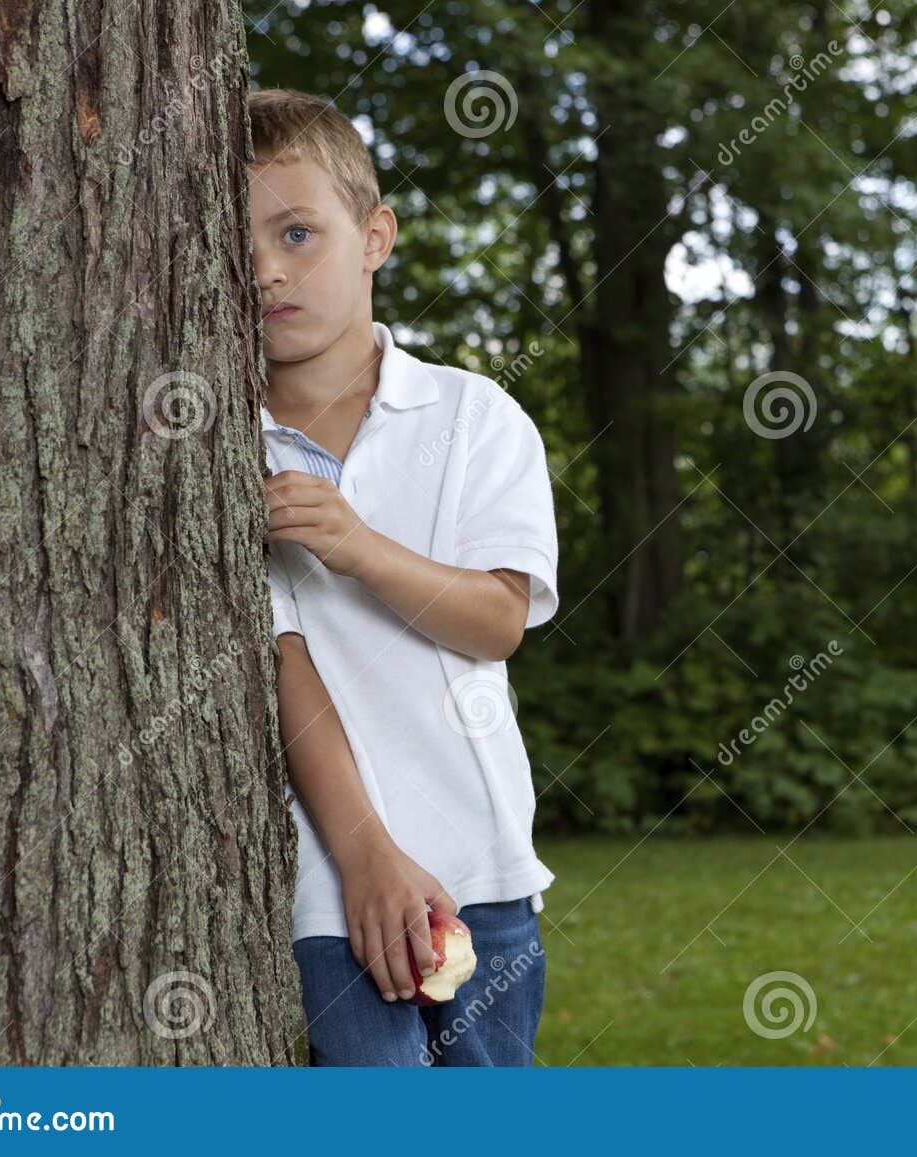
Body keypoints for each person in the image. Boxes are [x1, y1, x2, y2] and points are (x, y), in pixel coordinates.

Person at [249, 88, 558, 1066]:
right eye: (237, 242)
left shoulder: (473, 417)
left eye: (298, 233)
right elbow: (280, 658)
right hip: (328, 881)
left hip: (482, 866)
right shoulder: (218, 447)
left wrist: (354, 542)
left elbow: (498, 619)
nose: (264, 268)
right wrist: (365, 854)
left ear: (375, 235)